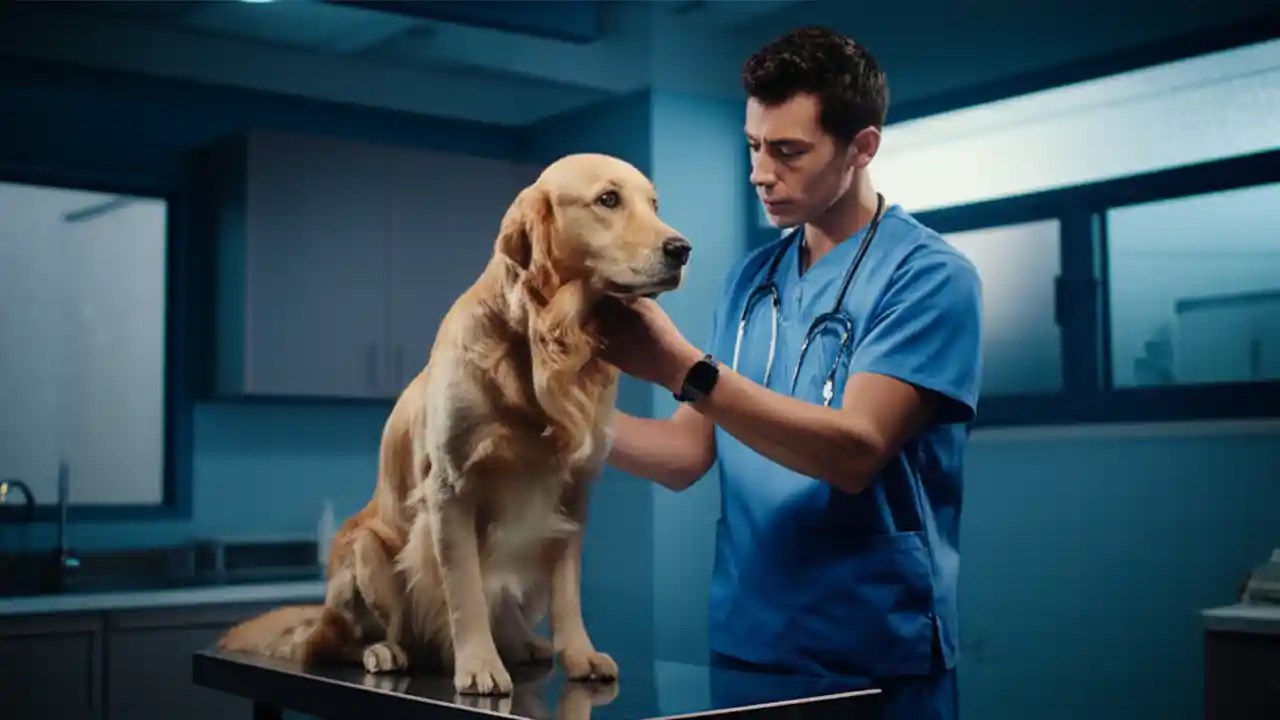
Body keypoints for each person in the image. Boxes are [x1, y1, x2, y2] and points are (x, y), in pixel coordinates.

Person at [596, 26, 983, 720]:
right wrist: (556, 421)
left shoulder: (929, 278)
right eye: (753, 146)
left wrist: (682, 366)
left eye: (788, 151)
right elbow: (686, 454)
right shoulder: (752, 280)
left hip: (873, 653)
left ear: (862, 147)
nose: (759, 172)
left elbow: (855, 451)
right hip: (750, 644)